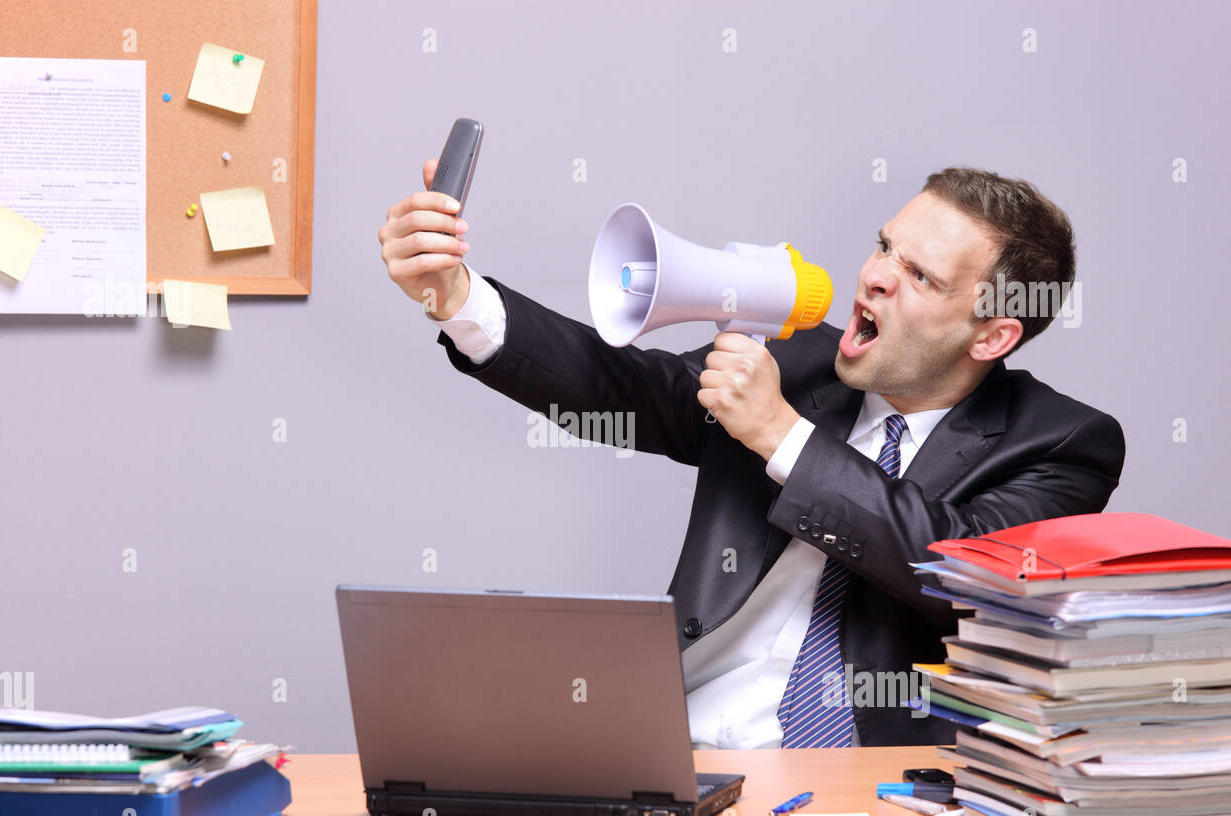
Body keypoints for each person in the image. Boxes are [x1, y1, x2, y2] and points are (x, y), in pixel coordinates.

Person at [377, 163, 1125, 747]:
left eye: (920, 276)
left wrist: (779, 435)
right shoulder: (799, 363)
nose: (874, 275)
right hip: (684, 747)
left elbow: (951, 566)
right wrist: (458, 296)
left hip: (879, 778)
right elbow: (623, 392)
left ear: (992, 335)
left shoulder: (1063, 443)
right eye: (884, 245)